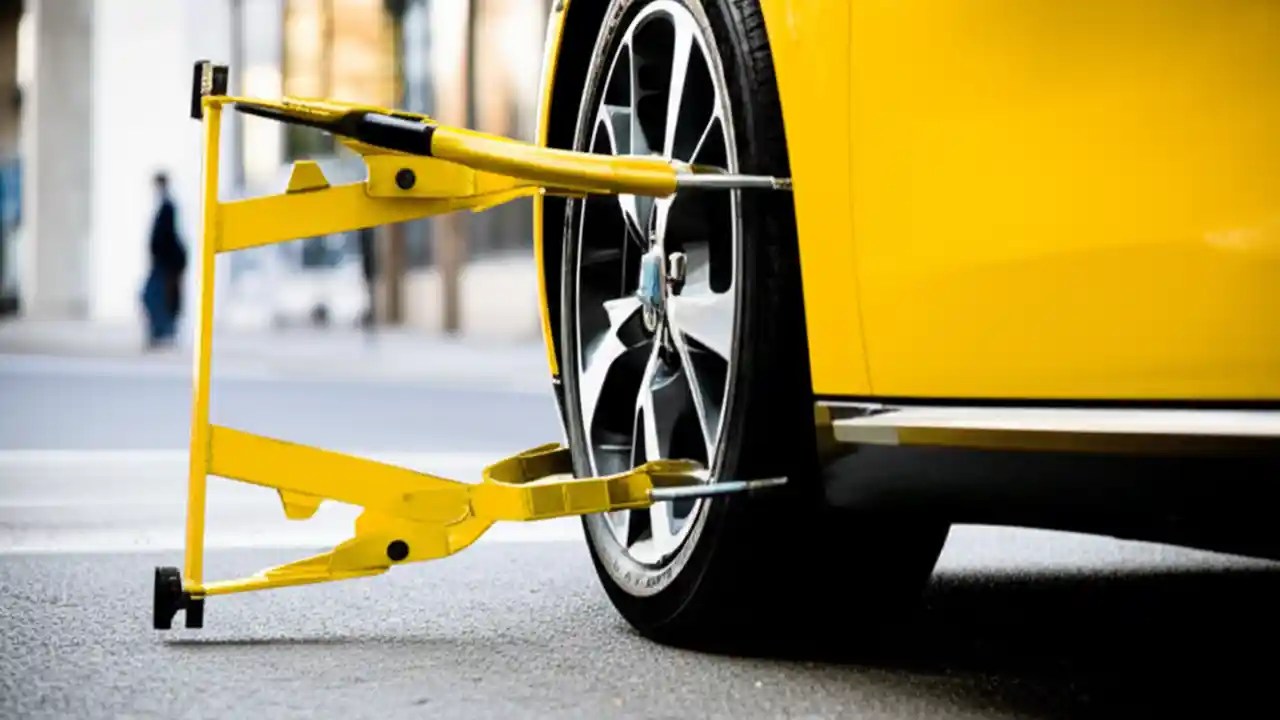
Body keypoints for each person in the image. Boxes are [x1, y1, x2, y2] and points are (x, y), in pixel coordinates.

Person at [141, 172, 187, 348]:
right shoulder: (164, 206)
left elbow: (167, 236)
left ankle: (163, 331)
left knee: (156, 296)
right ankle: (161, 331)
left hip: (166, 263)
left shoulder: (168, 207)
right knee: (156, 296)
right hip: (163, 262)